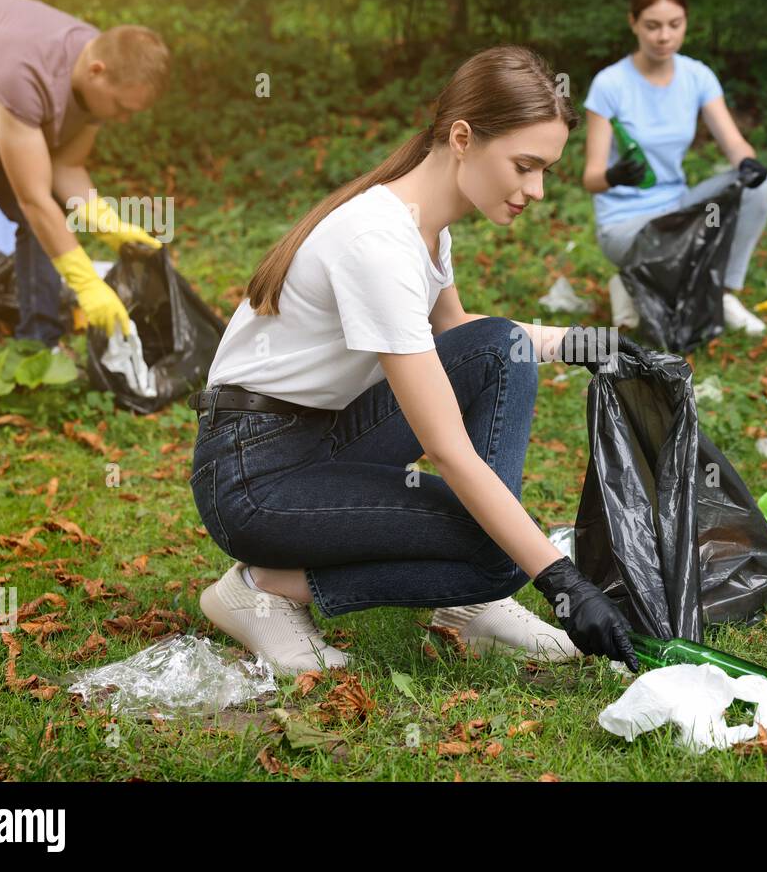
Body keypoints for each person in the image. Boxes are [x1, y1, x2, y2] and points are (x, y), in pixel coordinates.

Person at [189, 46, 640, 676]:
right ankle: (264, 587)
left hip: (321, 438)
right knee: (504, 551)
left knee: (496, 349)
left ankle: (474, 591)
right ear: (462, 138)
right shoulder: (379, 242)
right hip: (256, 479)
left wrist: (593, 345)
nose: (536, 190)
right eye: (525, 166)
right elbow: (449, 449)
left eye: (545, 171)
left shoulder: (424, 225)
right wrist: (563, 582)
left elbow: (463, 335)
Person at [0, 0, 170, 345]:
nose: (124, 119)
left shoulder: (96, 74)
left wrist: (107, 223)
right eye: (121, 107)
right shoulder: (24, 69)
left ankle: (37, 345)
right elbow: (33, 198)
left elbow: (67, 166)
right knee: (37, 208)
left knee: (40, 220)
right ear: (97, 71)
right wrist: (85, 282)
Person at [582, 0, 767, 335]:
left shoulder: (697, 76)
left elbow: (734, 144)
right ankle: (632, 282)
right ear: (633, 23)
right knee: (670, 259)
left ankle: (723, 292)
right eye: (652, 26)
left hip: (676, 208)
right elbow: (591, 178)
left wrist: (748, 163)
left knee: (760, 187)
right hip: (626, 225)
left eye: (675, 25)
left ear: (686, 22)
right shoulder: (609, 84)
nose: (664, 37)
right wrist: (615, 175)